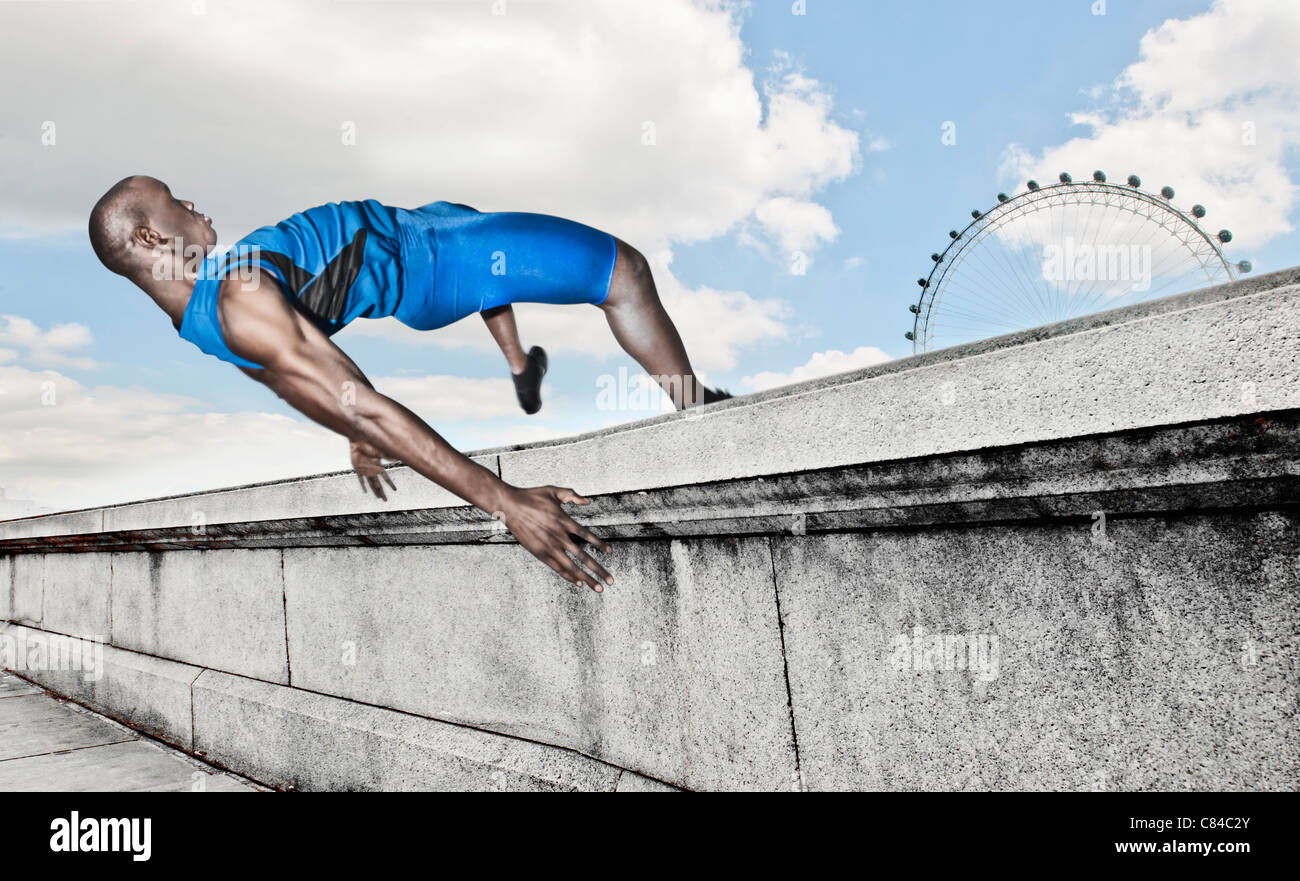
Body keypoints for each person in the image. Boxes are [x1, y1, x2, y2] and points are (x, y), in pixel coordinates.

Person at [88, 176, 731, 592]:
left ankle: (517, 365)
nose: (193, 201)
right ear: (150, 236)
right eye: (176, 199)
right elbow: (361, 401)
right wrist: (504, 502)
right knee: (625, 273)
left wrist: (355, 436)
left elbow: (321, 367)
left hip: (422, 233)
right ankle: (696, 405)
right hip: (434, 257)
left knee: (472, 221)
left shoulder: (201, 316)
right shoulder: (237, 299)